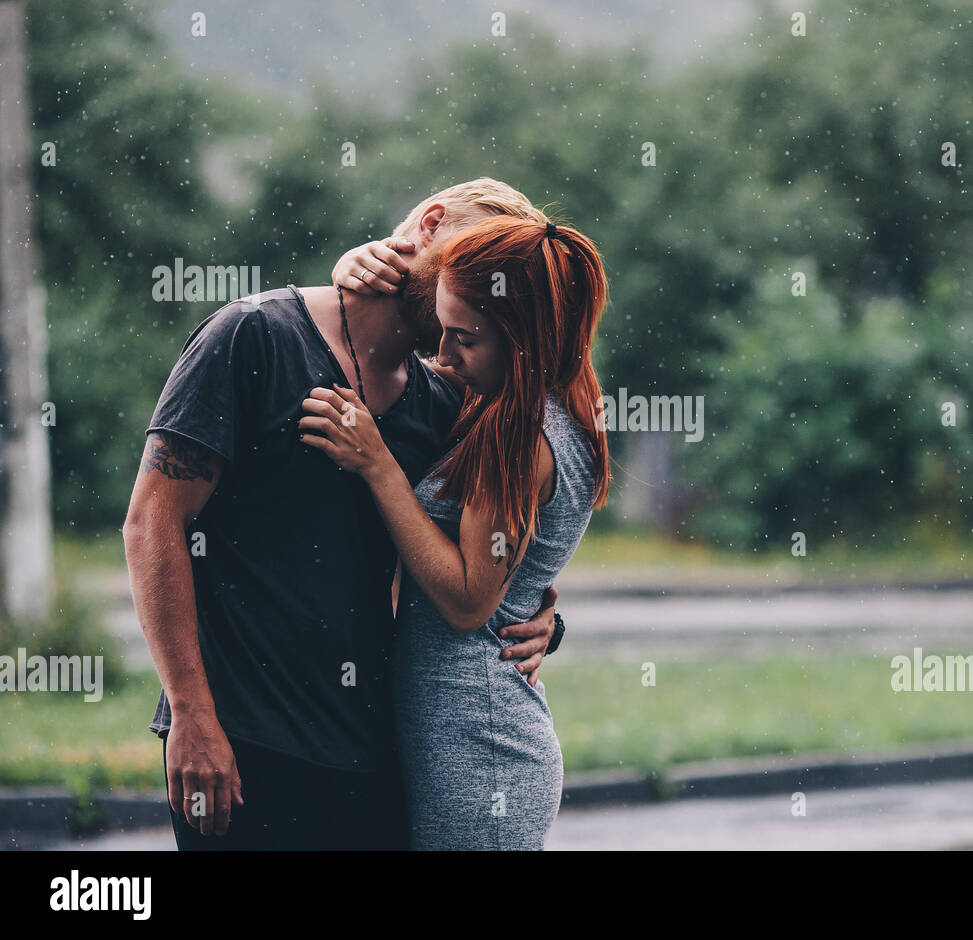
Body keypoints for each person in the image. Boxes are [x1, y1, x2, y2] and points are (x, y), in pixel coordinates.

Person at [122, 178, 562, 850]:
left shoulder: (443, 403)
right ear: (430, 225)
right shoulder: (253, 335)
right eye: (470, 273)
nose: (473, 300)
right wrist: (191, 714)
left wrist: (544, 617)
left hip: (376, 751)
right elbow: (153, 524)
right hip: (244, 741)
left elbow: (474, 555)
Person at [299, 214, 610, 849]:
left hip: (478, 749)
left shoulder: (516, 437)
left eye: (464, 339)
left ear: (524, 341)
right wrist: (353, 274)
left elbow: (470, 601)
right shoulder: (558, 404)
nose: (440, 356)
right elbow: (517, 572)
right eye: (441, 329)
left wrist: (375, 463)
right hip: (477, 730)